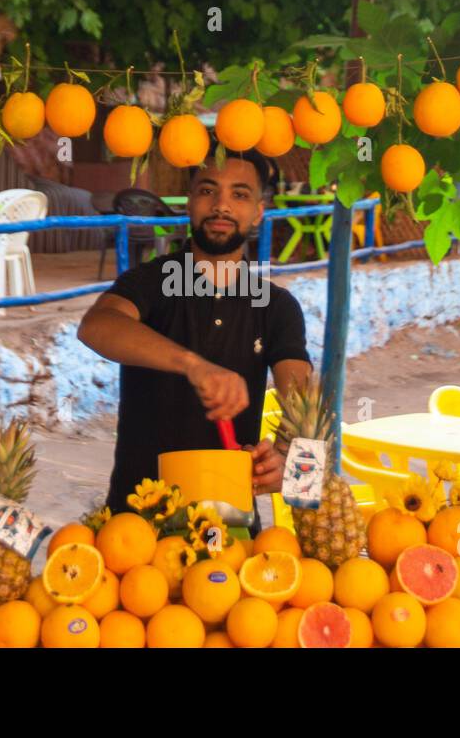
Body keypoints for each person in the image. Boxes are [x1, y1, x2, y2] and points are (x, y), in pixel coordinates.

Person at [77, 143, 313, 519]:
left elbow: (306, 408)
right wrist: (194, 366)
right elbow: (95, 326)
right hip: (138, 522)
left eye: (240, 194)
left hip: (229, 521)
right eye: (207, 190)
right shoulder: (151, 281)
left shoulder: (277, 307)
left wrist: (292, 470)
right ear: (188, 203)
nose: (221, 206)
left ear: (257, 213)